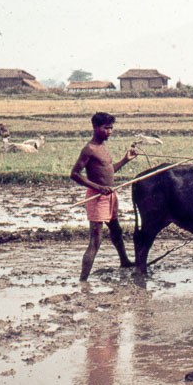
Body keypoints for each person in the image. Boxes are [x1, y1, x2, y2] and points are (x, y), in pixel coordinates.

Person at [70, 112, 139, 281]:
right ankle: (83, 280)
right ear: (95, 127)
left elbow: (108, 171)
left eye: (111, 128)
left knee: (116, 230)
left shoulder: (103, 147)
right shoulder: (89, 149)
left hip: (110, 195)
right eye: (106, 128)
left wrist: (125, 160)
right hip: (96, 197)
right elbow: (75, 174)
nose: (110, 131)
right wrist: (98, 188)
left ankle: (124, 261)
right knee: (96, 241)